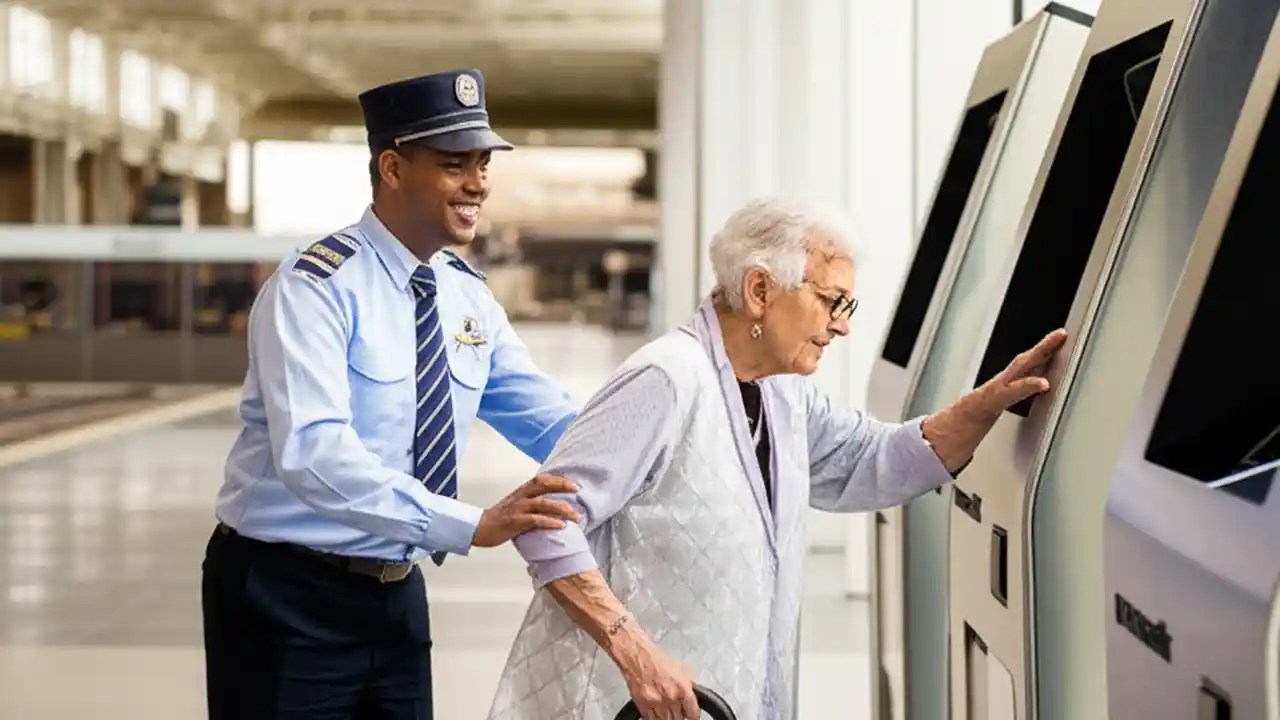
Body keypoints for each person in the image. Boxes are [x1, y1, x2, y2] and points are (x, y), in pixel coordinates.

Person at [485, 197, 1068, 720]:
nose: (840, 325)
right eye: (831, 301)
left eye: (849, 305)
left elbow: (871, 461)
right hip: (628, 701)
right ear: (761, 291)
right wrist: (637, 655)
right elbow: (545, 523)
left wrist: (982, 407)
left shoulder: (783, 392)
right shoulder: (665, 379)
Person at [201, 68, 582, 720]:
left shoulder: (466, 297)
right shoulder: (315, 288)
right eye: (454, 163)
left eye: (483, 164)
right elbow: (315, 454)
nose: (478, 183)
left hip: (396, 594)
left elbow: (553, 419)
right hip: (284, 595)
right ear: (394, 167)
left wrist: (663, 447)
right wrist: (472, 525)